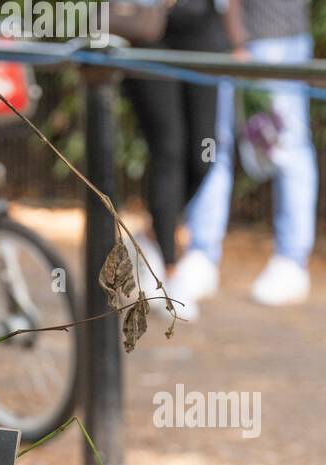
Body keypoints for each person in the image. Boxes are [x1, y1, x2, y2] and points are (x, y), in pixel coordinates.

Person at [172, 0, 318, 312]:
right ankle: (202, 252)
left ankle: (292, 259)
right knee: (215, 143)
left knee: (288, 147)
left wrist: (238, 38)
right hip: (226, 40)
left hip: (275, 39)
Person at [121, 0, 232, 300]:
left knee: (203, 157)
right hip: (149, 35)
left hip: (202, 36)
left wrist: (239, 39)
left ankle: (152, 235)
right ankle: (169, 273)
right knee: (168, 150)